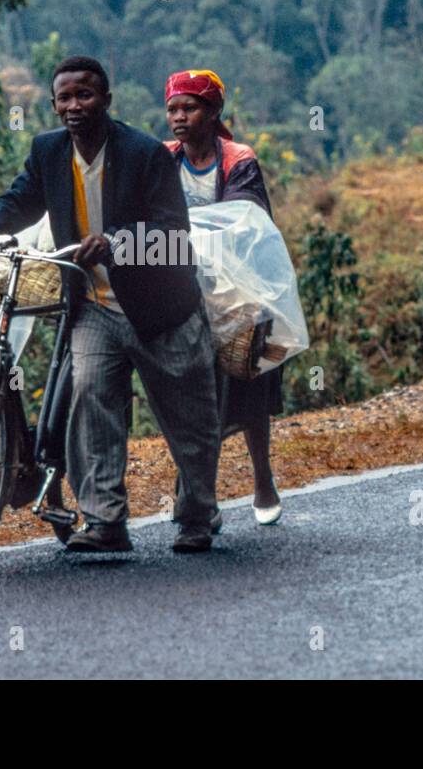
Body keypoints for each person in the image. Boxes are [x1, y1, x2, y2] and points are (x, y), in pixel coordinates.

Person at [0, 56, 221, 554]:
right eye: (64, 97)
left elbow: (174, 231)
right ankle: (106, 520)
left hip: (162, 311)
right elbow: (18, 201)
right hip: (93, 306)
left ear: (106, 101)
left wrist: (116, 241)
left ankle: (198, 516)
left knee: (188, 420)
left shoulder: (144, 153)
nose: (74, 106)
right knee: (91, 402)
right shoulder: (47, 152)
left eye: (85, 95)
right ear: (52, 104)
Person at [162, 69, 284, 526]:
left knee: (248, 387)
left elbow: (243, 218)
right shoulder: (164, 159)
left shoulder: (237, 158)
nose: (179, 117)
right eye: (173, 108)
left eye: (190, 108)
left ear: (213, 113)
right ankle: (195, 490)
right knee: (187, 391)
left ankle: (262, 476)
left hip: (237, 288)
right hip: (181, 286)